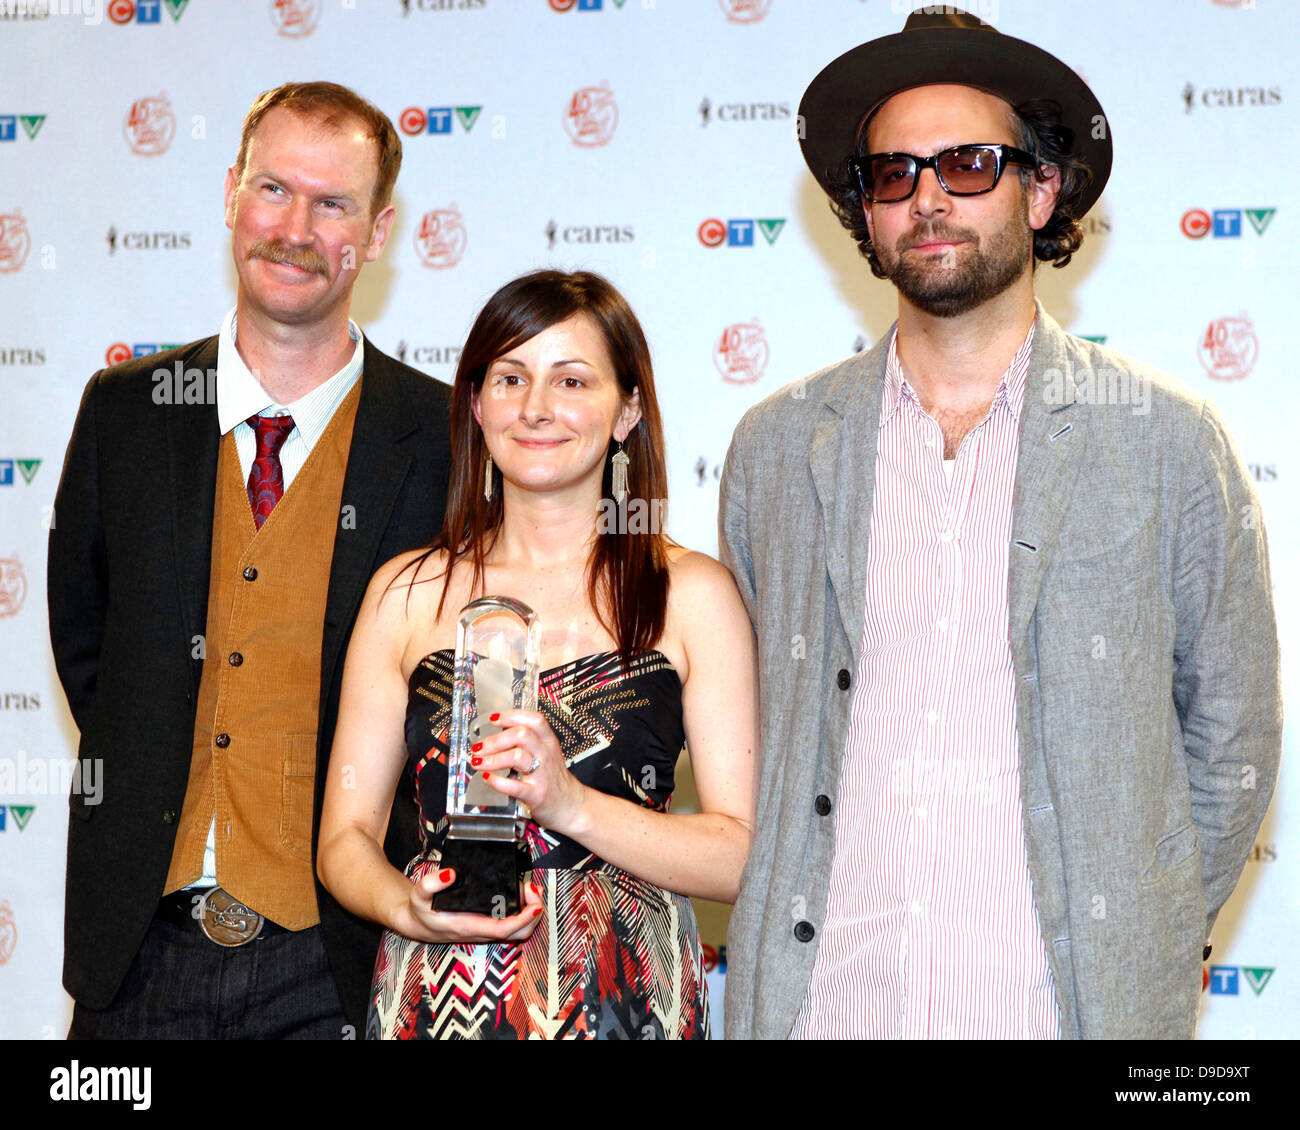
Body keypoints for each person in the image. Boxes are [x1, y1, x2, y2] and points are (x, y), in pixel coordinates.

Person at [720, 11, 1281, 1040]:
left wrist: (1133, 932)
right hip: (824, 1006)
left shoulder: (1164, 440)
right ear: (865, 210)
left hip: (1064, 1014)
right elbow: (745, 729)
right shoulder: (776, 448)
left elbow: (1233, 731)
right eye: (892, 173)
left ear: (1043, 188)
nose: (927, 197)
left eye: (968, 164)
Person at [48, 81, 452, 1039]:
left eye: (332, 203)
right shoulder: (124, 412)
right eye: (273, 190)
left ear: (380, 228)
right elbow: (89, 649)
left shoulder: (442, 437)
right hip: (135, 954)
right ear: (231, 194)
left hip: (341, 963)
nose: (294, 228)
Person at [317, 269, 757, 1040]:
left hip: (626, 999)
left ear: (627, 411)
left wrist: (571, 805)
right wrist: (403, 905)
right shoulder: (406, 594)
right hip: (437, 997)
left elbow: (740, 857)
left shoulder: (690, 595)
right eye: (511, 378)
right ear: (477, 404)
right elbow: (344, 839)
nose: (536, 408)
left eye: (572, 380)